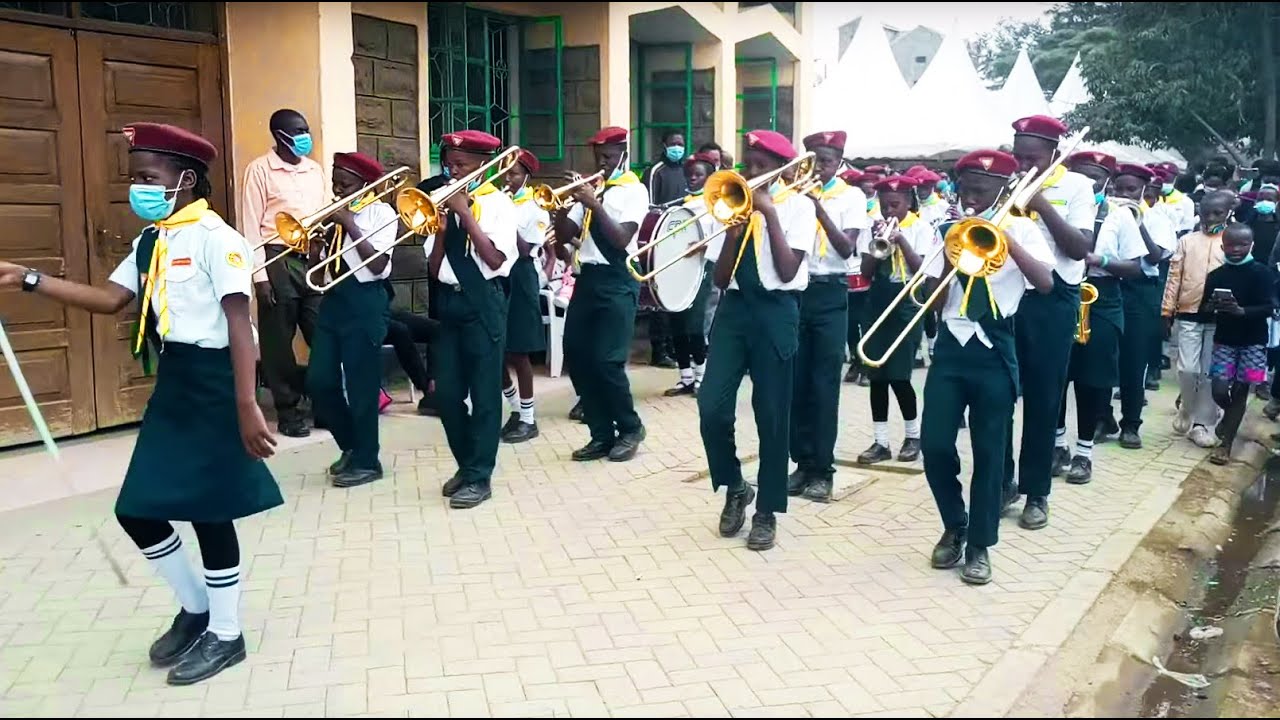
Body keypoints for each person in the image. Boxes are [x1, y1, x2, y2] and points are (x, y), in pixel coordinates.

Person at [0, 122, 280, 684]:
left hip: (217, 380)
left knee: (209, 511)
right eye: (135, 177)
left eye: (148, 177)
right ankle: (196, 608)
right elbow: (110, 299)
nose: (138, 188)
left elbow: (240, 323)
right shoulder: (152, 240)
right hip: (175, 380)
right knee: (136, 508)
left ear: (186, 179)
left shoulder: (218, 239)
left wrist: (247, 403)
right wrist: (27, 279)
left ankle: (227, 634)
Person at [921, 149, 1055, 585]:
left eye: (981, 190)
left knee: (989, 452)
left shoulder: (1021, 227)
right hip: (950, 350)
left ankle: (979, 544)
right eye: (966, 189)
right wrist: (950, 253)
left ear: (1002, 189)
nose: (972, 197)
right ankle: (954, 524)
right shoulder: (945, 229)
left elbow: (1046, 283)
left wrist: (1005, 240)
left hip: (994, 350)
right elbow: (933, 303)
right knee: (935, 445)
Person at [699, 129, 814, 551]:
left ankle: (767, 509)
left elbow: (787, 270)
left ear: (781, 168)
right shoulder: (731, 202)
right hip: (734, 311)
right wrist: (732, 233)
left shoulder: (799, 206)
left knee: (772, 415)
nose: (751, 172)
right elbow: (719, 278)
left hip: (776, 311)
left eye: (761, 166)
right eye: (749, 164)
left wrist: (770, 215)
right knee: (711, 406)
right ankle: (735, 486)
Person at [1004, 115, 1097, 531]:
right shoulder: (1005, 181)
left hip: (1054, 297)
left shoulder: (1077, 187)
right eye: (1018, 157)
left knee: (1043, 398)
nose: (1023, 165)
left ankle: (1036, 492)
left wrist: (1039, 202)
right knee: (1000, 395)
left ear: (1055, 153)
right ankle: (1002, 482)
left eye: (1033, 158)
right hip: (1007, 294)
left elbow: (1079, 248)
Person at [429, 130, 519, 508]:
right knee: (446, 395)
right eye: (448, 164)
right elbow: (434, 268)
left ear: (483, 166)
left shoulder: (499, 204)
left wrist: (466, 215)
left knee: (484, 395)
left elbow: (496, 260)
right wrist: (441, 231)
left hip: (484, 301)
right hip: (450, 303)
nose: (452, 171)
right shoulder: (440, 201)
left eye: (461, 165)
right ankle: (467, 465)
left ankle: (480, 476)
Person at [554, 126, 649, 462]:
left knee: (608, 361)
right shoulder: (594, 189)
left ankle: (630, 428)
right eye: (598, 157)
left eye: (608, 156)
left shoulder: (634, 191)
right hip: (588, 279)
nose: (602, 163)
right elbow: (564, 235)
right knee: (577, 355)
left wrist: (594, 203)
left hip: (618, 279)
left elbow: (621, 238)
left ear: (624, 154)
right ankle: (600, 433)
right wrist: (563, 205)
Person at [305, 152, 398, 488]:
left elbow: (378, 266)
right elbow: (318, 272)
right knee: (319, 381)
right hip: (333, 301)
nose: (339, 190)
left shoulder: (382, 213)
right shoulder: (333, 216)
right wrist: (313, 248)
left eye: (345, 184)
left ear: (366, 184)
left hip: (365, 302)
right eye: (335, 184)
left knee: (362, 387)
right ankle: (351, 446)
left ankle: (368, 461)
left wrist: (350, 224)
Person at [1051, 152, 1145, 484]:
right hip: (1059, 292)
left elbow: (1135, 267)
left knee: (1091, 380)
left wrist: (1100, 259)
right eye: (1081, 175)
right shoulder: (1060, 209)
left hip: (1101, 298)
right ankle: (1058, 445)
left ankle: (1084, 453)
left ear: (1107, 181)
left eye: (1096, 178)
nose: (1089, 184)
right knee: (1056, 376)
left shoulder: (1118, 215)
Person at [789, 131, 867, 502]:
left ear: (839, 162)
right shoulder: (792, 193)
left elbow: (846, 247)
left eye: (826, 161)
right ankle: (801, 463)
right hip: (796, 291)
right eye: (813, 160)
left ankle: (823, 470)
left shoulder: (851, 197)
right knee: (796, 383)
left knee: (823, 386)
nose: (819, 167)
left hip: (830, 292)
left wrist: (817, 207)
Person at [240, 108, 327, 438]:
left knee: (323, 333)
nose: (306, 136)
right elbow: (251, 226)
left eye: (306, 129)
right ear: (280, 135)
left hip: (312, 256)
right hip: (276, 256)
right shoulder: (259, 170)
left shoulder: (314, 170)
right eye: (299, 131)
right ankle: (288, 410)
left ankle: (323, 403)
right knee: (278, 340)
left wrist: (323, 256)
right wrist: (259, 278)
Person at [851, 175, 933, 469]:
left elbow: (923, 269)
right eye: (885, 205)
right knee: (877, 376)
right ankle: (881, 441)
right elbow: (866, 271)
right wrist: (878, 241)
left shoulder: (922, 228)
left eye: (895, 205)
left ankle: (913, 437)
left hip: (907, 301)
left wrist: (902, 241)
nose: (889, 211)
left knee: (899, 376)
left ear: (909, 202)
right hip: (878, 300)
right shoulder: (874, 227)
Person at [1105, 164, 1178, 449]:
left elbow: (1156, 256)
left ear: (1144, 190)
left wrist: (1136, 222)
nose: (1124, 194)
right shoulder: (1105, 212)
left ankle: (1131, 424)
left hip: (1141, 290)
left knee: (1134, 359)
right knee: (1102, 356)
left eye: (1131, 189)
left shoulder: (1158, 217)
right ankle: (1102, 417)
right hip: (1109, 285)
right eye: (1119, 189)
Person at [1162, 190, 1233, 447]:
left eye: (1217, 213)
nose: (1211, 218)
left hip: (1219, 317)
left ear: (1228, 213)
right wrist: (1167, 310)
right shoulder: (1187, 241)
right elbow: (1174, 277)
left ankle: (1201, 425)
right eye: (1206, 213)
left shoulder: (1232, 241)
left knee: (1208, 372)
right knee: (1187, 369)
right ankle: (1187, 407)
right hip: (1188, 312)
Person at [1202, 224, 1274, 464]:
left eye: (1242, 244)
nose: (1236, 249)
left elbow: (1269, 307)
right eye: (1231, 245)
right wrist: (1212, 306)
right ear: (1223, 246)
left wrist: (1241, 311)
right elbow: (1204, 308)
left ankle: (1225, 445)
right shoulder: (1216, 275)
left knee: (1242, 391)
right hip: (1224, 341)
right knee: (1219, 390)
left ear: (1251, 245)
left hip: (1254, 343)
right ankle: (1228, 417)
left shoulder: (1262, 273)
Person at [500, 149, 551, 443]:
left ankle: (529, 420)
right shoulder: (500, 201)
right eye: (506, 173)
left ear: (527, 176)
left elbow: (524, 250)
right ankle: (516, 410)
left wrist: (506, 217)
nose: (508, 178)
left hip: (521, 275)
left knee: (518, 351)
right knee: (496, 351)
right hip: (498, 273)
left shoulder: (537, 208)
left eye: (514, 173)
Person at [664, 151, 721, 396]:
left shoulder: (716, 206)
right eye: (689, 174)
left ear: (709, 179)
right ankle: (685, 377)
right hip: (679, 271)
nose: (692, 178)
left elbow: (721, 240)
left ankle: (702, 377)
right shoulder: (680, 206)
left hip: (702, 271)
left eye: (698, 175)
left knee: (695, 326)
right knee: (677, 324)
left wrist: (703, 247)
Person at [840, 167, 873, 386]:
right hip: (843, 271)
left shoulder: (870, 216)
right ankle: (855, 359)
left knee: (863, 321)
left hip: (861, 270)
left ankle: (865, 364)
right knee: (849, 324)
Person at [384, 309, 439, 416]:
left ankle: (435, 383)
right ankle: (429, 392)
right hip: (361, 317)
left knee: (438, 329)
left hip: (383, 311)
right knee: (400, 330)